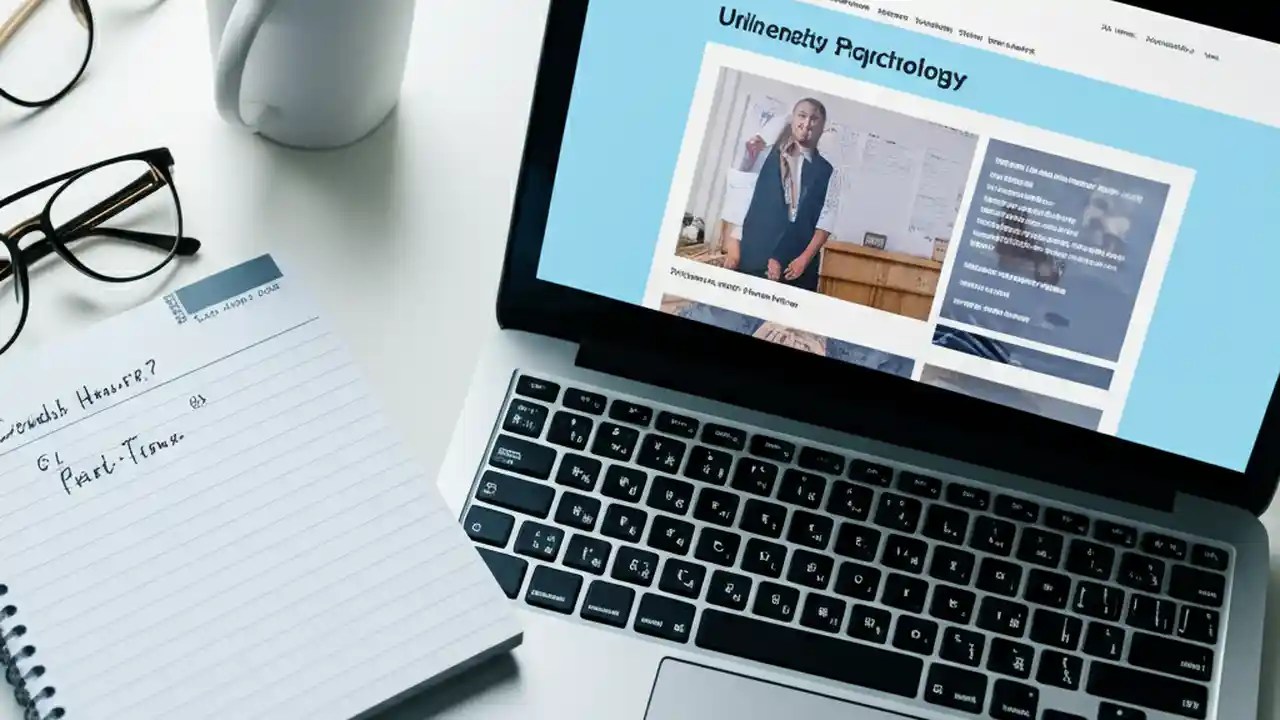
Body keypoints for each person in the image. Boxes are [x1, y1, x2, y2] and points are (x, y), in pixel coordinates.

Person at [720, 98, 839, 292]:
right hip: (753, 260)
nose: (807, 123)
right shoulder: (765, 158)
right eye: (802, 116)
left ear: (822, 126)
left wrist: (802, 260)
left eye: (814, 119)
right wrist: (733, 249)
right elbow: (742, 203)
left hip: (795, 268)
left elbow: (825, 222)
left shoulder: (827, 170)